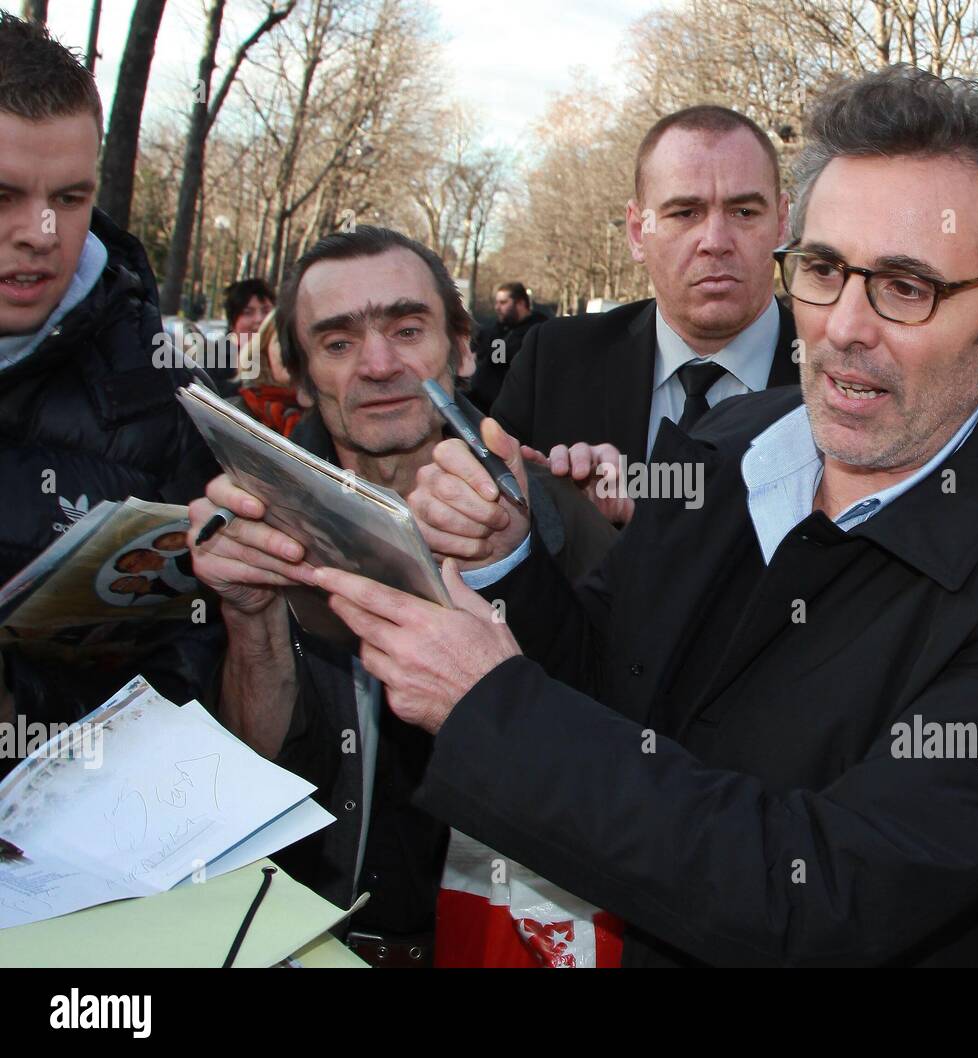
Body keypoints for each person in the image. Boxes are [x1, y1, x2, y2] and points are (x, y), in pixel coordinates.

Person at [309, 67, 978, 966]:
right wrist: (506, 561)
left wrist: (490, 710)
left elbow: (825, 890)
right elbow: (609, 672)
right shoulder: (730, 439)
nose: (843, 328)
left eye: (906, 288)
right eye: (825, 270)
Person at [187, 227, 618, 964]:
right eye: (339, 342)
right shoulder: (252, 524)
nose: (381, 365)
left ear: (462, 345)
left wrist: (513, 565)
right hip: (306, 944)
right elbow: (240, 788)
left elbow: (626, 763)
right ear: (299, 374)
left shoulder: (561, 511)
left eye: (407, 329)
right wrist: (249, 617)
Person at [0, 12, 219, 727]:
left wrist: (20, 709)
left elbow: (191, 677)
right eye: (2, 196)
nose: (41, 236)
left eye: (70, 198)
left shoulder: (169, 401)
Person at [491, 105, 800, 513]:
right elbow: (496, 536)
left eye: (744, 212)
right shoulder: (552, 362)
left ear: (781, 223)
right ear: (638, 232)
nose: (715, 240)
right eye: (685, 213)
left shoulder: (839, 377)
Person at [465, 281, 545, 413]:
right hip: (479, 403)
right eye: (496, 303)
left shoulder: (535, 331)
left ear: (520, 303)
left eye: (503, 303)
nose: (497, 307)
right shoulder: (498, 328)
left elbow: (501, 359)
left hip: (505, 409)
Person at [231, 309, 307, 436]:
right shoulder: (232, 414)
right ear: (264, 349)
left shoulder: (332, 420)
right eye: (282, 341)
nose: (291, 351)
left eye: (301, 341)